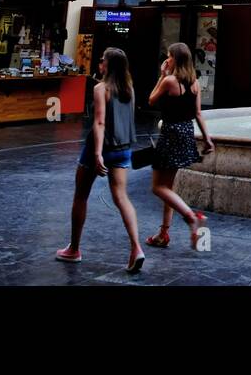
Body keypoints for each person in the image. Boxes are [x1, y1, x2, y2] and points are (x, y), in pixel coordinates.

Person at [56, 48, 145, 273]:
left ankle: (74, 249)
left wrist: (97, 154)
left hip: (101, 147)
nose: (100, 63)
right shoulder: (129, 90)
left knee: (81, 195)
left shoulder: (100, 88)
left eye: (103, 60)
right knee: (122, 197)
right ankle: (136, 248)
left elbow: (99, 123)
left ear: (109, 65)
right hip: (123, 149)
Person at [146, 43, 214, 251]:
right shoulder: (194, 83)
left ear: (174, 59)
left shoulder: (169, 81)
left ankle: (192, 217)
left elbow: (150, 101)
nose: (167, 60)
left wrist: (161, 74)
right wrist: (207, 139)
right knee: (168, 187)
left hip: (170, 134)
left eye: (168, 57)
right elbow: (198, 114)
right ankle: (163, 233)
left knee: (158, 187)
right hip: (186, 133)